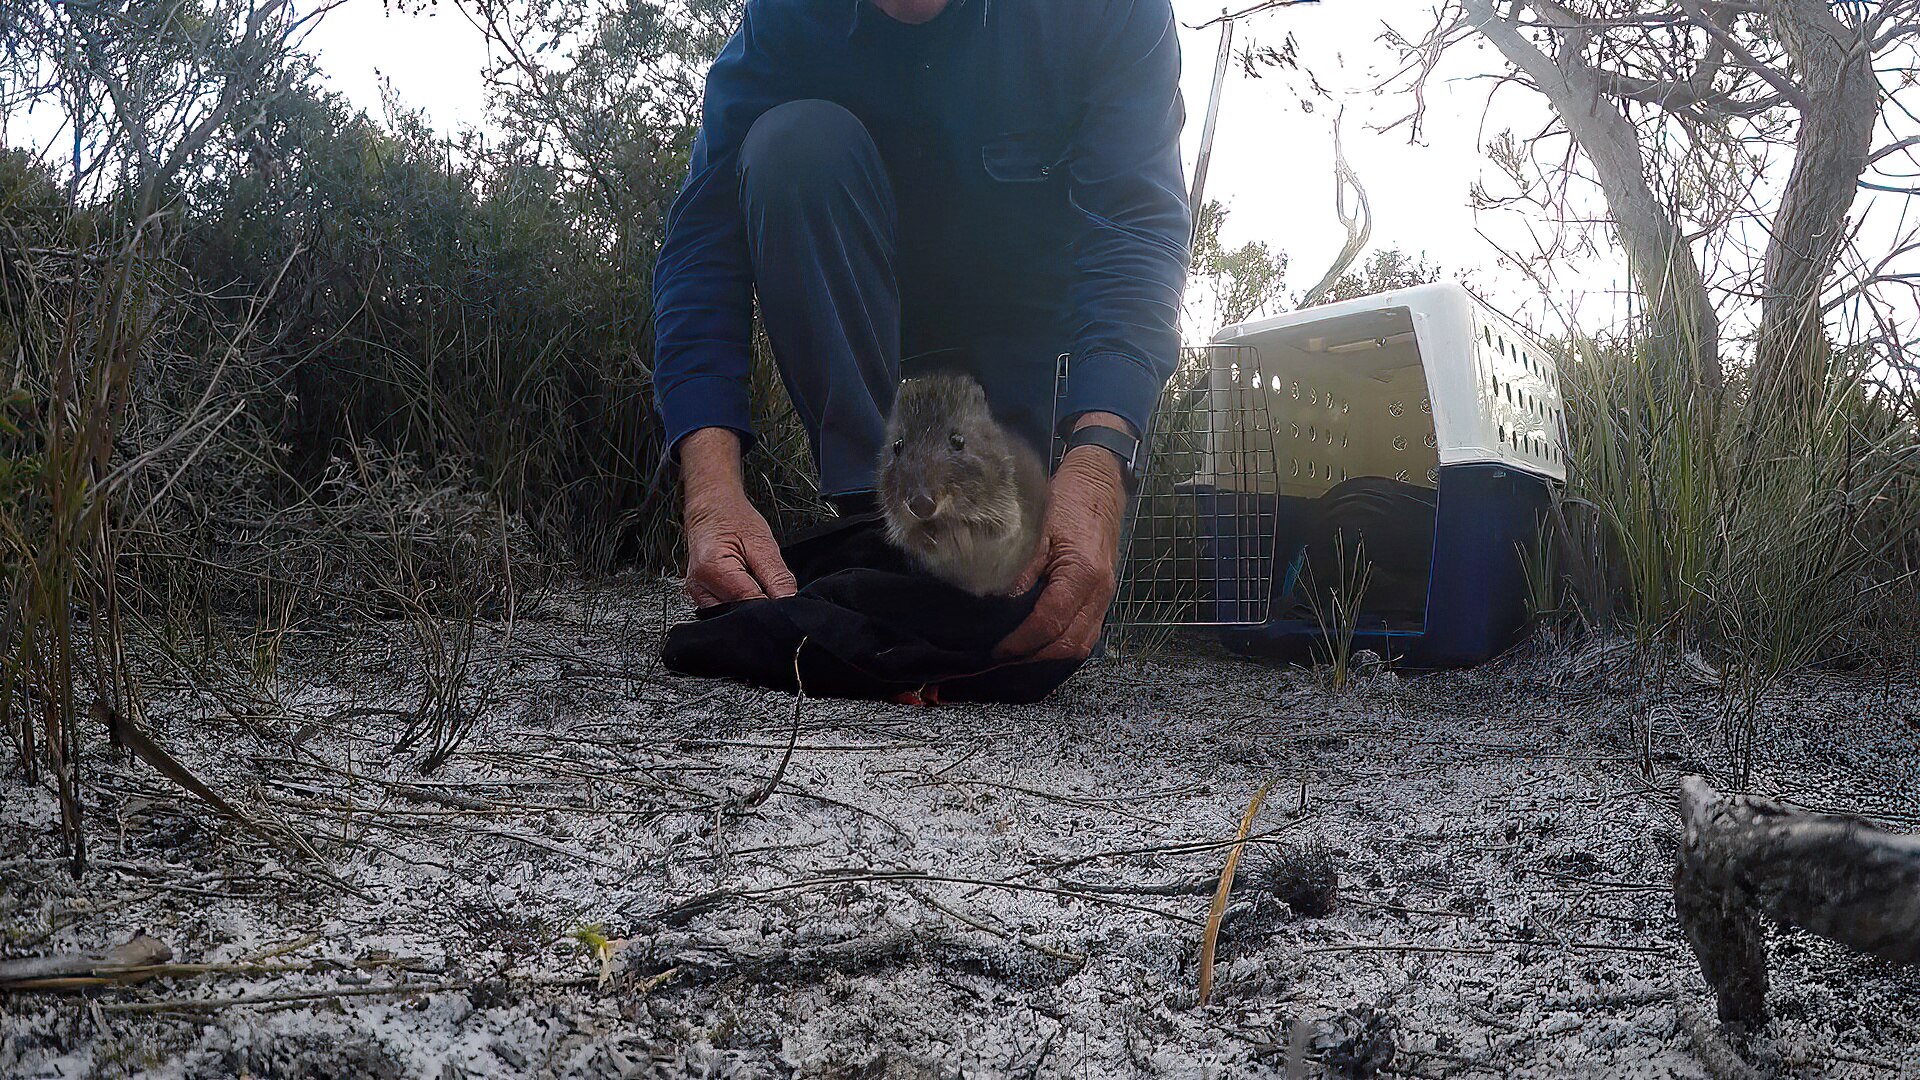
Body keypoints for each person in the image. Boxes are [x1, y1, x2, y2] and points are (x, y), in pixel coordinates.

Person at [652, 0, 1189, 662]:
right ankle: (869, 525)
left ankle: (1032, 494)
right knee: (791, 147)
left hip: (1033, 326)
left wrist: (1099, 463)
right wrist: (712, 494)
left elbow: (1134, 231)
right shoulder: (786, 14)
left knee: (1024, 600)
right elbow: (704, 239)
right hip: (870, 294)